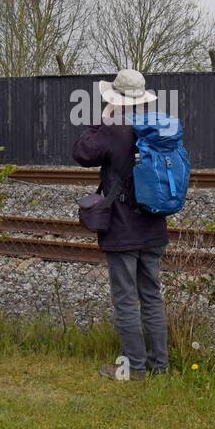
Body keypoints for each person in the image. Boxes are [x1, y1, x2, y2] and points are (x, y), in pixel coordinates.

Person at [72, 69, 169, 381]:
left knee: (126, 299)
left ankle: (134, 369)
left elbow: (82, 153)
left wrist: (101, 118)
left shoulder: (114, 127)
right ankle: (160, 366)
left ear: (115, 97)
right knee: (152, 296)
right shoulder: (157, 126)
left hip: (124, 228)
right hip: (154, 225)